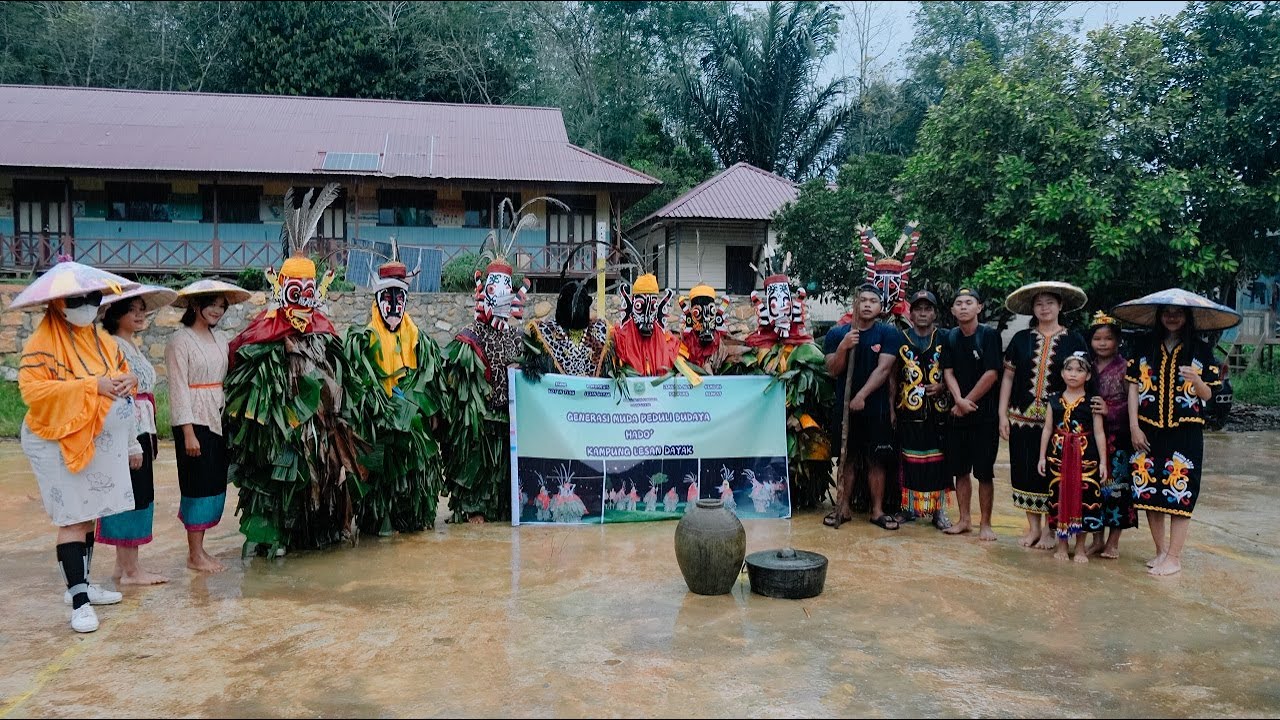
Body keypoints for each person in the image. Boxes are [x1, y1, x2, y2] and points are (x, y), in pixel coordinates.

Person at [11, 259, 140, 632]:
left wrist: (122, 381)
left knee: (91, 511)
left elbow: (115, 372)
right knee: (72, 515)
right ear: (57, 303)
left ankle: (80, 583)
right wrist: (91, 387)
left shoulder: (100, 339)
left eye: (92, 297)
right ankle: (79, 602)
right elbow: (33, 391)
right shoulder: (42, 342)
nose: (87, 304)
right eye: (77, 299)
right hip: (53, 436)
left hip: (95, 433)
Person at [1113, 289, 1237, 576]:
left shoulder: (1202, 351)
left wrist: (1196, 380)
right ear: (1159, 316)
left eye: (1178, 313)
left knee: (1180, 493)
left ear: (1187, 317)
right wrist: (1133, 426)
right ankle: (1160, 552)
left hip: (1186, 433)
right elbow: (1132, 388)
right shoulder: (1144, 347)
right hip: (1146, 431)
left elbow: (1207, 396)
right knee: (1149, 490)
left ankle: (1175, 556)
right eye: (1167, 312)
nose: (1172, 317)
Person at [344, 250, 446, 535]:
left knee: (412, 481)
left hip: (411, 424)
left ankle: (412, 519)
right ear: (377, 302)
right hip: (380, 427)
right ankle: (377, 523)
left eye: (399, 299)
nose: (393, 306)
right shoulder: (364, 340)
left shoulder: (418, 340)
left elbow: (431, 384)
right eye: (387, 299)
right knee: (380, 483)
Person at [95, 285, 176, 585]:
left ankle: (123, 565)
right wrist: (131, 443)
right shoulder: (115, 346)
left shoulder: (129, 345)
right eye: (133, 309)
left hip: (141, 425)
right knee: (134, 494)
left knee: (135, 493)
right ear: (117, 315)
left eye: (143, 309)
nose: (140, 314)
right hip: (130, 427)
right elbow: (121, 395)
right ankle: (132, 569)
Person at [999, 281, 1087, 549]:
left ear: (1060, 306)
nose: (1044, 308)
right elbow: (1008, 378)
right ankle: (1034, 528)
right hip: (1021, 418)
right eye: (1039, 303)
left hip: (1059, 421)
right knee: (1024, 471)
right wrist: (1002, 414)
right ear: (1032, 309)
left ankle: (1051, 530)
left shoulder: (1074, 340)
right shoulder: (1021, 339)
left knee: (1052, 474)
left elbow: (1083, 379)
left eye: (1050, 302)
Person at [168, 281, 246, 571]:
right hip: (194, 420)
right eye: (212, 304)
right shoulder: (180, 341)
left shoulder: (220, 339)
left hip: (217, 415)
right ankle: (194, 554)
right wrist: (188, 432)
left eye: (222, 306)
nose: (217, 310)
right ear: (195, 305)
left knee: (214, 482)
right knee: (196, 485)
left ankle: (201, 550)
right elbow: (177, 388)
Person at [824, 283, 901, 529]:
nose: (867, 304)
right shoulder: (837, 334)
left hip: (874, 408)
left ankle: (876, 511)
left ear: (880, 307)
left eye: (873, 301)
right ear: (854, 304)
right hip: (845, 409)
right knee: (846, 458)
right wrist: (844, 347)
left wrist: (862, 396)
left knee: (876, 459)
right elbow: (834, 370)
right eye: (863, 300)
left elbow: (884, 369)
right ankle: (843, 508)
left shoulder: (888, 334)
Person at [940, 289, 1003, 540]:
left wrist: (967, 401)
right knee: (960, 470)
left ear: (979, 307)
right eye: (959, 303)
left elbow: (992, 373)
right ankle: (964, 519)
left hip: (984, 415)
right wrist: (958, 400)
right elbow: (948, 371)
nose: (963, 307)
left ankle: (985, 523)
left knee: (984, 472)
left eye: (969, 303)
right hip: (958, 413)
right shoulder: (951, 336)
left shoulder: (989, 335)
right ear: (953, 310)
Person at [1037, 352, 1108, 563]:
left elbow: (1099, 432)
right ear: (1061, 373)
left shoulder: (1092, 402)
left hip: (1085, 458)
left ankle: (1079, 548)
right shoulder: (1054, 400)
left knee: (1084, 500)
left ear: (1087, 376)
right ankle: (1061, 545)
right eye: (1069, 369)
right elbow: (1047, 429)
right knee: (1059, 497)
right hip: (1057, 457)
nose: (1073, 374)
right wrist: (1042, 456)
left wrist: (1103, 462)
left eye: (1079, 370)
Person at [892, 289, 952, 530]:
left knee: (939, 461)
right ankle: (909, 508)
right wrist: (892, 408)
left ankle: (939, 511)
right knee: (908, 460)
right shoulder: (900, 338)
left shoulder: (945, 337)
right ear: (911, 313)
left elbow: (955, 370)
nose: (923, 313)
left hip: (939, 412)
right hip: (908, 410)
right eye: (918, 309)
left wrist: (944, 386)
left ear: (935, 313)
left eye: (928, 309)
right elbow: (892, 376)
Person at [1084, 312, 1137, 558]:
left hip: (1118, 438)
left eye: (1108, 338)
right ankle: (1097, 539)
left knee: (1115, 489)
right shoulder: (1086, 367)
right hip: (1091, 437)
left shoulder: (1126, 368)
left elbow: (1136, 404)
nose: (1102, 343)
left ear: (1117, 341)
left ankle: (1113, 542)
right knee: (1093, 488)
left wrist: (1110, 410)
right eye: (1097, 338)